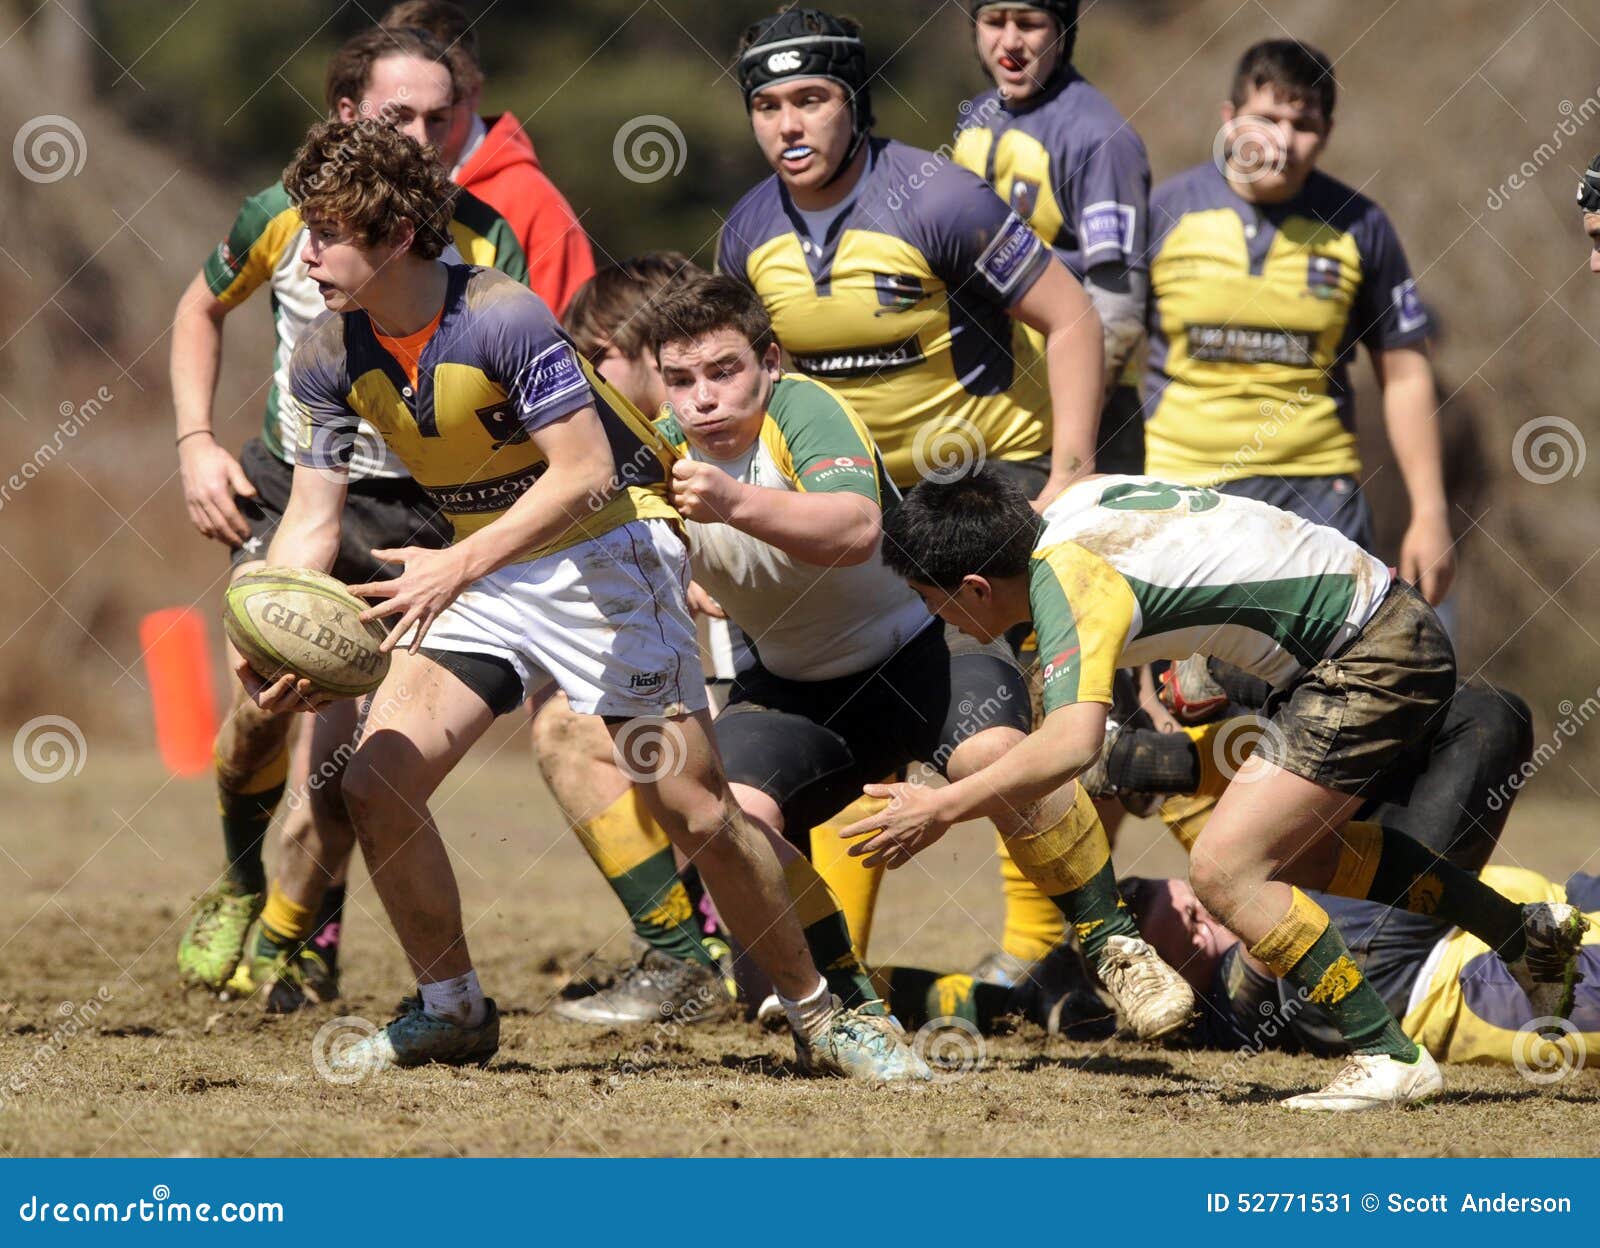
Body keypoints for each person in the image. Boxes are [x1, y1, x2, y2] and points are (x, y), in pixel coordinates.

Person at [240, 117, 925, 1081]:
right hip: (486, 562)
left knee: (694, 806)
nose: (305, 253)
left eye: (327, 233)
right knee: (374, 782)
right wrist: (289, 638)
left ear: (395, 235)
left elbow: (587, 474)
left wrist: (455, 566)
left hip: (607, 552)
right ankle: (452, 1009)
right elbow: (313, 522)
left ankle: (824, 1010)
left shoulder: (501, 317)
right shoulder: (323, 352)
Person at [529, 272, 1195, 1040]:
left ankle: (1114, 944)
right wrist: (678, 577)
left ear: (770, 361)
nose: (703, 398)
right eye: (680, 381)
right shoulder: (665, 460)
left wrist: (730, 505)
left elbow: (853, 530)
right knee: (730, 823)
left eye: (724, 371)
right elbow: (641, 555)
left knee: (995, 757)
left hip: (919, 654)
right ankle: (845, 992)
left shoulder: (804, 408)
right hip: (794, 692)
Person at [850, 468, 1590, 1109]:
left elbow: (1073, 745)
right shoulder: (1077, 499)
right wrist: (1207, 649)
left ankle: (1388, 1056)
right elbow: (1208, 538)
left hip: (1366, 656)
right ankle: (1526, 940)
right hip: (1373, 624)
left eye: (933, 599)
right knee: (1298, 857)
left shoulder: (1071, 588)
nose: (936, 616)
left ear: (976, 584)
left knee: (1223, 869)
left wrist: (941, 806)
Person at [171, 24, 527, 1009]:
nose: (421, 134)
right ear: (345, 115)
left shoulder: (483, 242)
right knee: (255, 721)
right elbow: (197, 309)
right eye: (394, 115)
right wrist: (194, 440)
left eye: (438, 117)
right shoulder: (278, 221)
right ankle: (245, 888)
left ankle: (300, 941)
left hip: (420, 511)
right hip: (300, 490)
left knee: (339, 754)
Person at [952, 0, 1153, 986]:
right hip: (991, 447)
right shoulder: (972, 125)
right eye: (991, 18)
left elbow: (1113, 305)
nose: (1009, 42)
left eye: (1029, 19)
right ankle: (1054, 942)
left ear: (1062, 28)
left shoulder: (1096, 137)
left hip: (1073, 451)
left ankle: (1069, 941)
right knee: (1003, 698)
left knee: (1079, 698)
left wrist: (1076, 466)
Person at [719, 8, 1104, 507]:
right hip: (854, 488)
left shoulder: (941, 201)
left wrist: (1069, 480)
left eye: (811, 101)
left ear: (854, 101)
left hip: (991, 475)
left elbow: (1074, 316)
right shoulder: (745, 231)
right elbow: (725, 371)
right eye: (767, 107)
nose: (789, 126)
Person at [1143, 39, 1453, 603]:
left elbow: (1407, 374)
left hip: (1317, 499)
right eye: (1266, 118)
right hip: (1180, 492)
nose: (1282, 141)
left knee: (1329, 687)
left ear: (1328, 133)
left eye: (1303, 124)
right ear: (1229, 119)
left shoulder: (1362, 225)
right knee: (1180, 688)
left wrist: (1430, 512)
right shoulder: (1164, 212)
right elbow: (1103, 349)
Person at [380, 0, 596, 314]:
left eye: (440, 107)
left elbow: (569, 347)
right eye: (399, 107)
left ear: (473, 92)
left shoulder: (535, 205)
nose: (417, 132)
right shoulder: (365, 183)